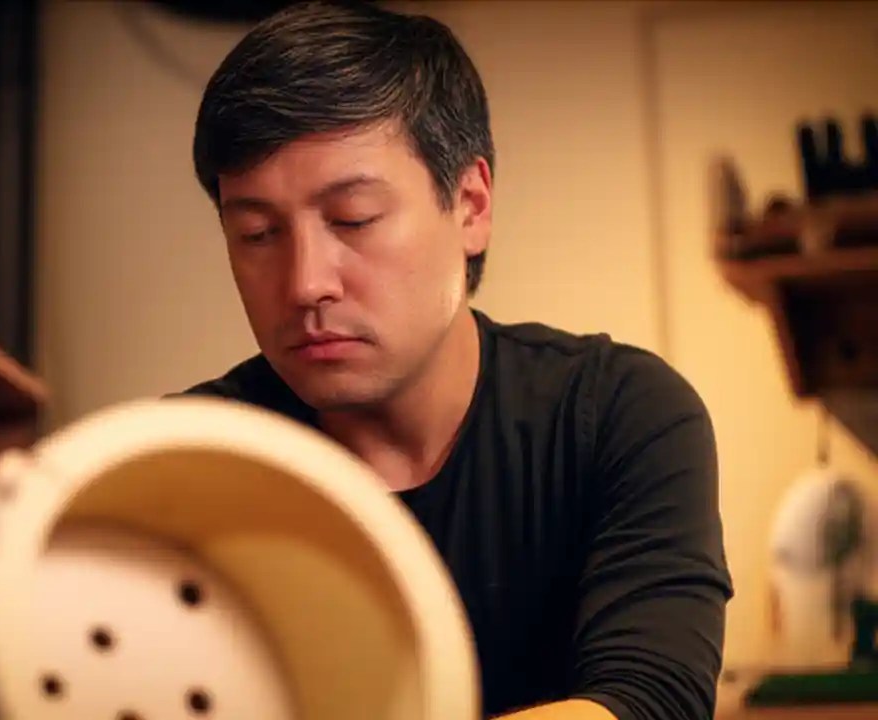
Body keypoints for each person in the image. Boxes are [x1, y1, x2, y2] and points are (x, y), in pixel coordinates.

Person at [174, 2, 734, 719]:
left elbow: (651, 700)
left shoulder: (617, 415)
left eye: (353, 220)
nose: (305, 282)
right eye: (257, 233)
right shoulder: (184, 464)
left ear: (470, 205)